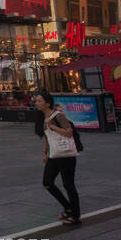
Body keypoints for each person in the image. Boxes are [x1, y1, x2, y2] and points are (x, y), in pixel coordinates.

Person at [35, 91, 81, 225]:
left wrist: (52, 126)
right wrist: (45, 153)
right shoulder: (42, 117)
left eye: (39, 101)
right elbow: (46, 136)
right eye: (36, 101)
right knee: (47, 182)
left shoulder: (58, 115)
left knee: (68, 185)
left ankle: (75, 215)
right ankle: (68, 207)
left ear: (48, 103)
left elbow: (69, 133)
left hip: (66, 154)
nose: (37, 103)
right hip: (54, 154)